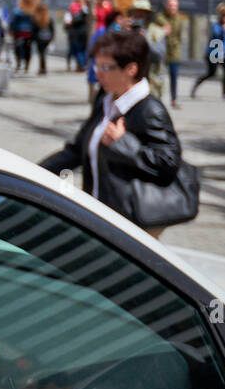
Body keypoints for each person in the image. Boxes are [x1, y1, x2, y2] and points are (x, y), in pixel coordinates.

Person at [40, 29, 184, 237]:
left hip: (131, 227)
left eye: (106, 67)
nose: (98, 73)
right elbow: (76, 151)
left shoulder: (149, 110)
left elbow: (168, 163)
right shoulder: (106, 100)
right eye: (96, 66)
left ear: (131, 69)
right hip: (99, 216)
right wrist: (33, 173)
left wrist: (124, 143)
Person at [191, 5, 225, 101]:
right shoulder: (216, 26)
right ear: (223, 17)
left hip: (224, 53)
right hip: (215, 52)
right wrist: (224, 29)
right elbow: (217, 36)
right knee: (212, 73)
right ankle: (197, 83)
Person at [152, 0, 185, 108]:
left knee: (174, 76)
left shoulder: (180, 19)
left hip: (174, 51)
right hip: (162, 51)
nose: (172, 7)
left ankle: (174, 100)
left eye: (175, 5)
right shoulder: (160, 18)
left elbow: (179, 35)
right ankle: (157, 98)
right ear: (166, 5)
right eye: (170, 5)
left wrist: (177, 46)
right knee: (159, 75)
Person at [10, 0, 36, 72]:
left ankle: (19, 63)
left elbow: (13, 22)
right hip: (29, 33)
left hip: (19, 32)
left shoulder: (17, 11)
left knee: (18, 48)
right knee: (28, 49)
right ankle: (27, 65)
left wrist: (12, 30)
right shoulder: (32, 11)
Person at [65, 0, 89, 71]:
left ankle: (80, 65)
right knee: (82, 50)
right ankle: (81, 65)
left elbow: (67, 24)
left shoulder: (70, 12)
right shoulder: (84, 11)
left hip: (75, 34)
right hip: (83, 32)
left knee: (77, 50)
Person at [33, 1, 55, 75]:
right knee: (43, 53)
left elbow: (34, 30)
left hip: (39, 38)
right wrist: (52, 38)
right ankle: (43, 68)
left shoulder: (36, 19)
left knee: (41, 53)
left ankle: (42, 68)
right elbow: (52, 29)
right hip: (47, 38)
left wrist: (33, 39)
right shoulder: (49, 18)